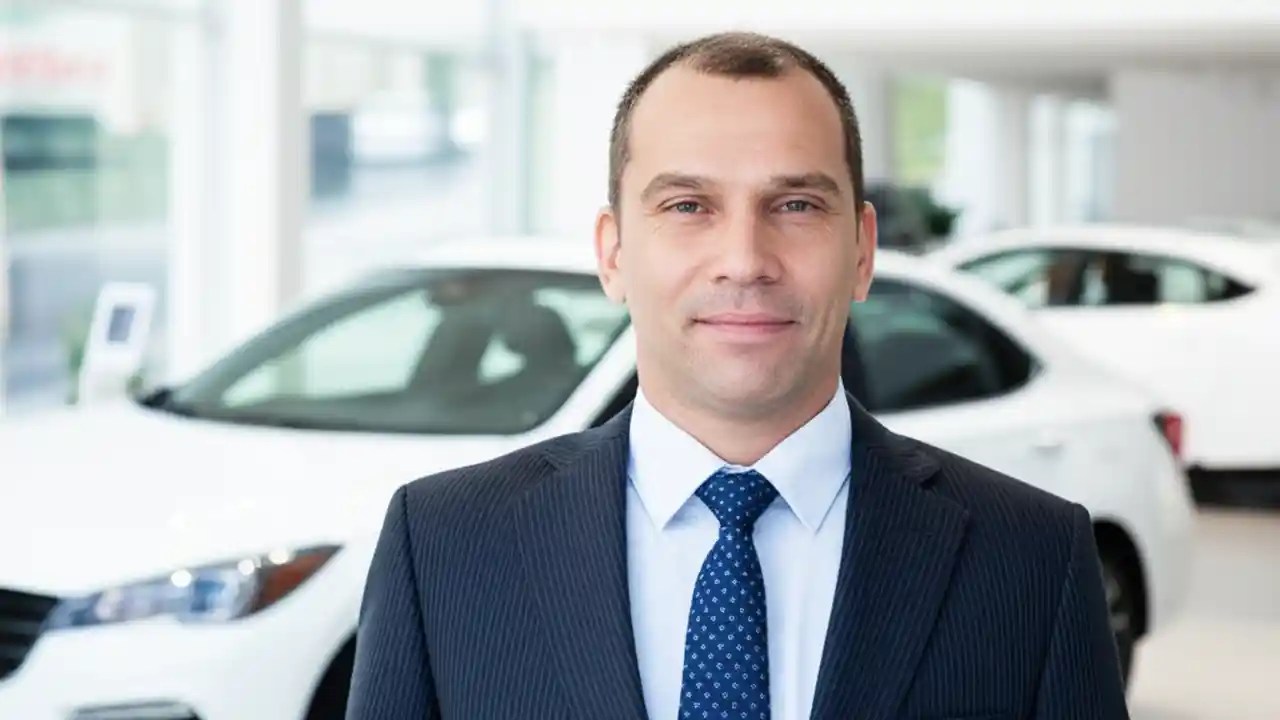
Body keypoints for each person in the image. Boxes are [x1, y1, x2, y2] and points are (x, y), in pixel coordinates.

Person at [347, 32, 1128, 719]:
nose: (746, 261)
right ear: (614, 254)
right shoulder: (445, 545)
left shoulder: (1032, 557)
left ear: (861, 252)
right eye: (689, 206)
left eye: (794, 204)